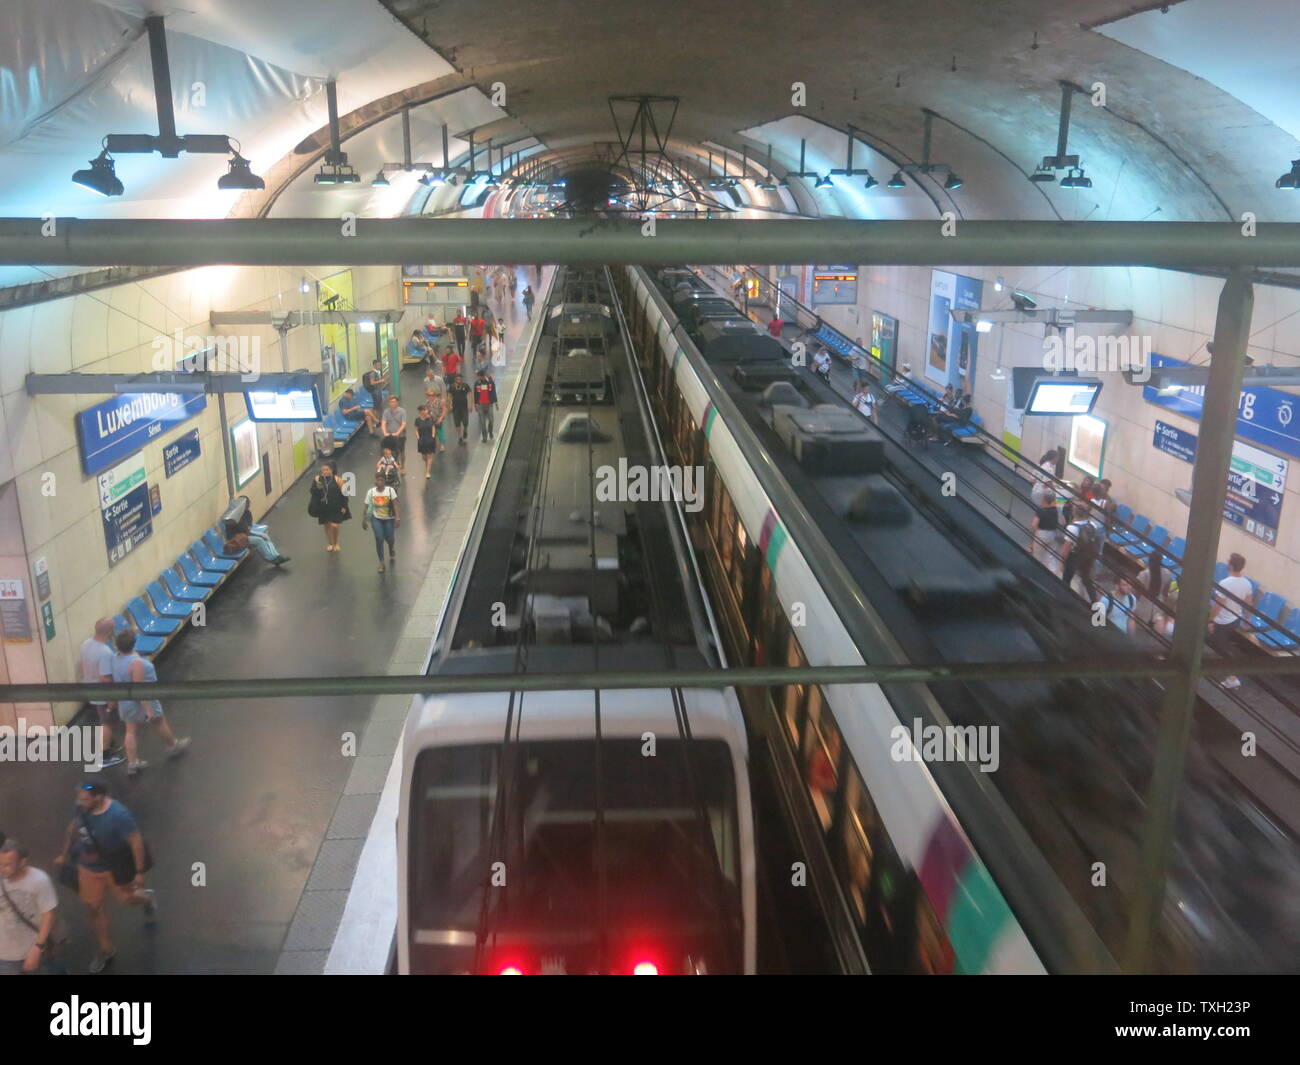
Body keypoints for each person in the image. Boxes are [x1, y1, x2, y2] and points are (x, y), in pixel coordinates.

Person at [55, 782, 155, 973]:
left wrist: (139, 872)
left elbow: (135, 841)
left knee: (128, 899)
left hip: (113, 867)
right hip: (88, 868)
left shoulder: (118, 815)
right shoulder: (82, 807)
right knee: (93, 908)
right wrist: (64, 854)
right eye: (79, 798)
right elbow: (72, 829)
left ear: (98, 798)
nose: (79, 802)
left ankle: (147, 898)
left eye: (84, 799)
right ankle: (106, 949)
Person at [111, 629, 191, 776]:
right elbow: (139, 688)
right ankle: (172, 746)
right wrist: (147, 709)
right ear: (134, 644)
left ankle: (132, 763)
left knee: (130, 731)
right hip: (143, 700)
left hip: (125, 702)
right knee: (159, 721)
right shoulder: (138, 664)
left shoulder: (115, 658)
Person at [0, 839, 60, 974]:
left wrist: (38, 949)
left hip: (34, 950)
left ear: (22, 862)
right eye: (0, 864)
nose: (2, 869)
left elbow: (48, 915)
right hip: (5, 956)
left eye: (7, 865)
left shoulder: (39, 880)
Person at [78, 619, 125, 769]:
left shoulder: (86, 644)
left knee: (105, 719)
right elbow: (106, 677)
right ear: (110, 632)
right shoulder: (105, 652)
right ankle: (104, 756)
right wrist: (112, 698)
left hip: (91, 688)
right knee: (107, 722)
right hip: (103, 693)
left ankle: (108, 744)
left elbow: (82, 665)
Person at [1210, 552, 1252, 689]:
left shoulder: (1225, 583)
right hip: (1235, 620)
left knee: (1224, 650)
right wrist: (1247, 620)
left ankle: (1232, 678)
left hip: (1222, 621)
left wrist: (1210, 621)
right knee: (1224, 647)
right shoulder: (1247, 583)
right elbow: (1248, 604)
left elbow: (1218, 605)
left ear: (1231, 565)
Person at [361, 472, 400, 573]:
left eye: (381, 480)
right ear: (375, 481)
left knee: (390, 538)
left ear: (384, 481)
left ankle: (391, 548)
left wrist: (397, 517)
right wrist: (364, 519)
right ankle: (381, 562)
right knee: (379, 538)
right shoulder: (371, 492)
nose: (379, 482)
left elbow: (395, 504)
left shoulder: (390, 491)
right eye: (378, 480)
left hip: (389, 518)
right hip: (376, 518)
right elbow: (366, 506)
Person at [309, 462, 350, 552]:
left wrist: (344, 506)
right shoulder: (317, 479)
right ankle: (330, 543)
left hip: (336, 506)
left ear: (331, 470)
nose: (325, 472)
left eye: (327, 470)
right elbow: (312, 491)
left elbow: (345, 494)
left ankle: (336, 543)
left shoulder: (338, 480)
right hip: (323, 506)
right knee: (327, 525)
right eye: (323, 470)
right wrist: (317, 487)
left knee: (335, 525)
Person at [1061, 516, 1103, 602]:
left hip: (1074, 556)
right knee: (1087, 579)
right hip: (1087, 555)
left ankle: (1064, 598)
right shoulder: (1092, 524)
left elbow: (1066, 547)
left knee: (1067, 578)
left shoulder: (1072, 528)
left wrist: (1062, 561)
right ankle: (1094, 601)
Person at [1029, 479, 1062, 575]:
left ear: (1044, 499)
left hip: (1041, 533)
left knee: (1038, 555)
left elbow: (1034, 525)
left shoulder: (1041, 510)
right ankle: (1053, 574)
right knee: (1051, 556)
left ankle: (1037, 573)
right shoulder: (1055, 510)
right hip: (1052, 534)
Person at [381, 395, 408, 474]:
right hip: (390, 435)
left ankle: (403, 467)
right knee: (390, 452)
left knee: (401, 451)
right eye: (391, 402)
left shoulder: (402, 411)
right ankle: (393, 466)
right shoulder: (386, 412)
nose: (392, 403)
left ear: (397, 403)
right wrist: (384, 432)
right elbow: (383, 422)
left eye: (394, 402)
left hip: (400, 436)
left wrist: (397, 433)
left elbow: (403, 424)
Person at [474, 368, 499, 443]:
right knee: (482, 422)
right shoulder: (477, 383)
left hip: (489, 404)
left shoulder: (490, 382)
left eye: (479, 376)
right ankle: (484, 437)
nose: (478, 378)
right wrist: (475, 403)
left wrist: (496, 403)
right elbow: (476, 394)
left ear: (483, 376)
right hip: (480, 405)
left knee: (491, 420)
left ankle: (490, 431)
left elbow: (493, 392)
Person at [415, 405, 438, 478]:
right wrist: (418, 437)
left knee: (429, 455)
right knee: (424, 456)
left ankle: (427, 472)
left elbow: (433, 427)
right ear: (420, 412)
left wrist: (433, 436)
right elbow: (416, 429)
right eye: (423, 410)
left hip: (430, 439)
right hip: (422, 439)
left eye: (426, 410)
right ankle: (427, 466)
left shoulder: (430, 419)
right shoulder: (417, 420)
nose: (425, 411)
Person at [449, 372, 472, 446]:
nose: (459, 380)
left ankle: (465, 429)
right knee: (457, 423)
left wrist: (470, 405)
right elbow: (449, 396)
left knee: (465, 421)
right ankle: (460, 437)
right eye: (458, 379)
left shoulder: (465, 386)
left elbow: (469, 394)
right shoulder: (452, 387)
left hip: (464, 407)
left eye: (460, 379)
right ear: (455, 379)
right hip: (455, 408)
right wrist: (449, 406)